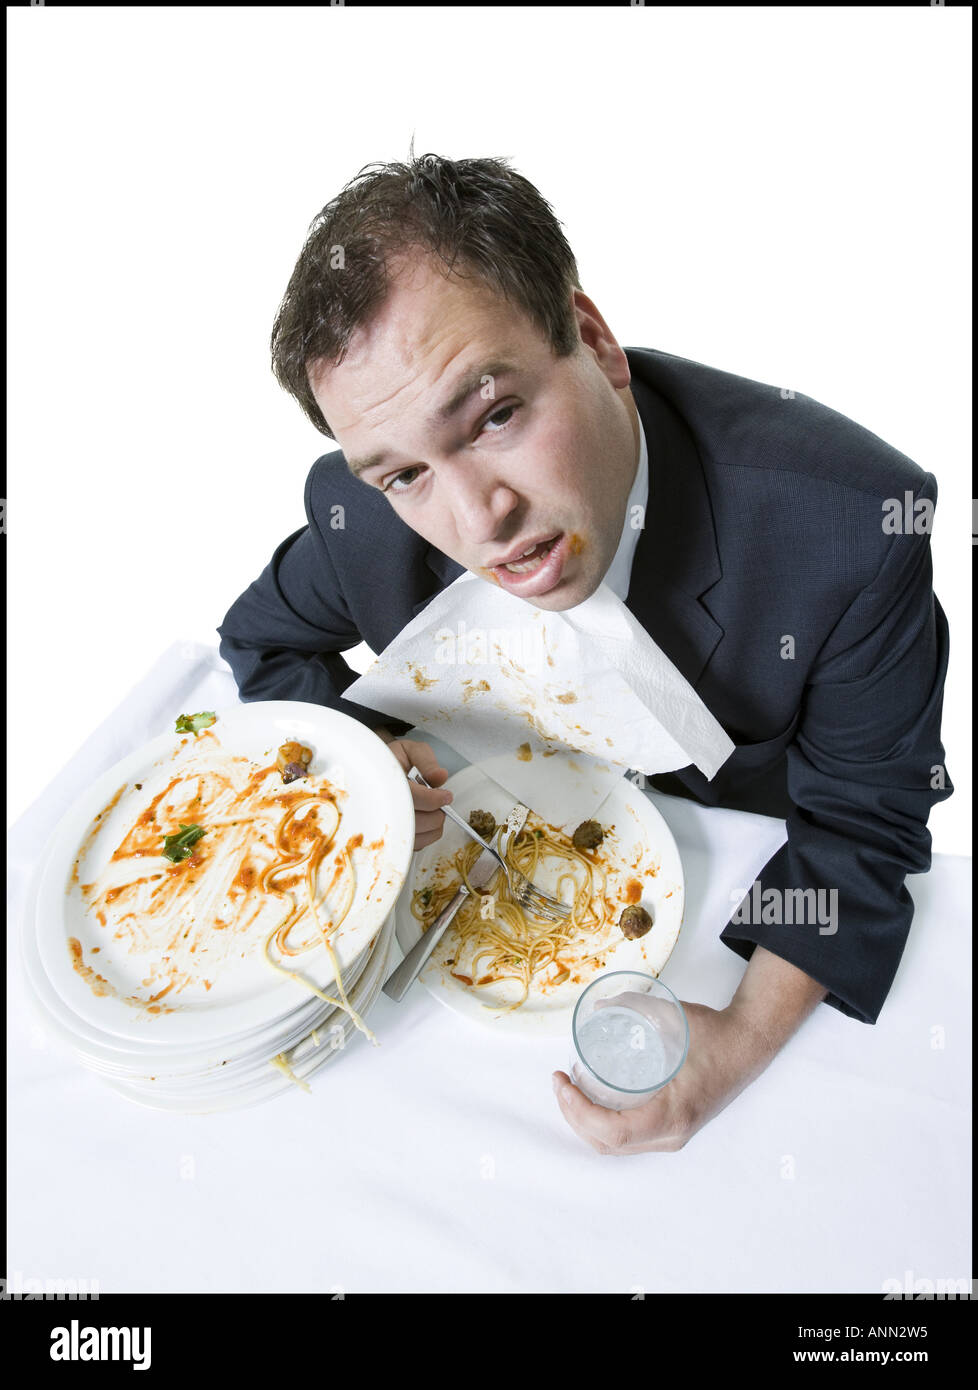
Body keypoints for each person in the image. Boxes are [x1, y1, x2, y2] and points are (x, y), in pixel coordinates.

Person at [217, 153, 952, 1155]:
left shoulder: (851, 527)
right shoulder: (363, 511)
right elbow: (260, 639)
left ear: (596, 341)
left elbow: (862, 827)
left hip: (712, 888)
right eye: (404, 475)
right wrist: (369, 766)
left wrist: (737, 1034)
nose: (480, 518)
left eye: (498, 416)